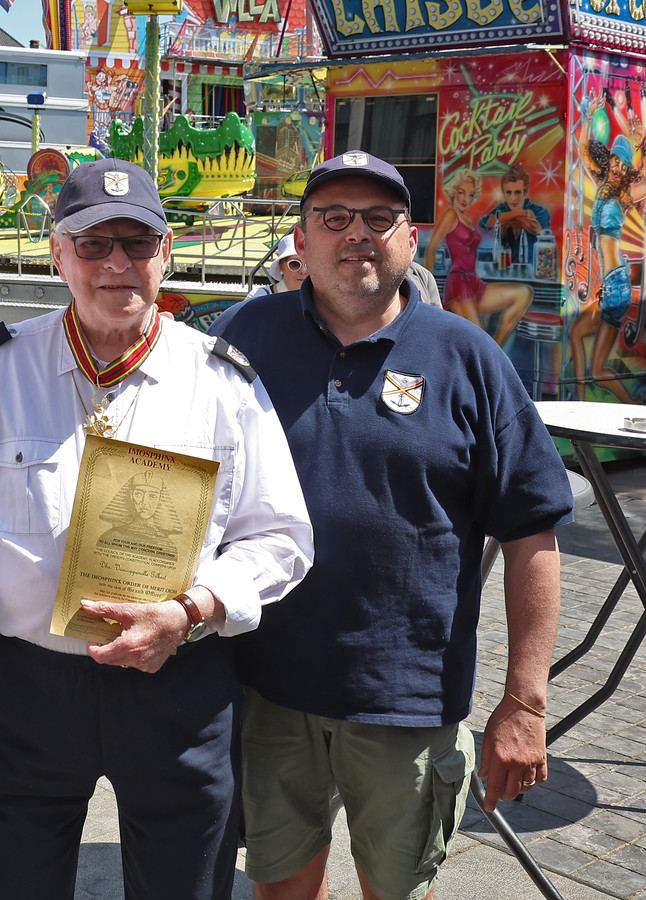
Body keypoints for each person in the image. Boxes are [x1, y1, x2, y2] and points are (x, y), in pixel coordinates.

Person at [0, 158, 314, 899]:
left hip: (178, 676)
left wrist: (190, 611)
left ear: (166, 254)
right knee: (20, 883)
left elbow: (282, 537)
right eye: (93, 243)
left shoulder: (222, 379)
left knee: (183, 884)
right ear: (57, 252)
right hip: (30, 684)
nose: (116, 263)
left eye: (137, 242)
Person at [208, 151, 574, 900]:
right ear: (301, 241)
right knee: (279, 888)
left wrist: (526, 702)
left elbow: (533, 533)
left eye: (379, 219)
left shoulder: (467, 357)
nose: (357, 236)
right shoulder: (245, 336)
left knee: (400, 892)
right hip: (266, 687)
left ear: (412, 239)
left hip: (408, 698)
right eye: (333, 219)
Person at [571, 97, 646, 402]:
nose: (616, 167)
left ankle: (626, 411)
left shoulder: (627, 194)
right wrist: (588, 118)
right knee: (589, 354)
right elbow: (581, 149)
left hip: (616, 285)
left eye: (622, 164)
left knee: (593, 360)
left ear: (628, 169)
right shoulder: (603, 185)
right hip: (610, 284)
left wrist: (640, 142)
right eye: (614, 161)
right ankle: (579, 402)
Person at [424, 167, 532, 346]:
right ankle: (491, 356)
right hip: (459, 286)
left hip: (474, 284)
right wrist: (428, 290)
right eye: (461, 193)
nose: (466, 199)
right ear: (454, 192)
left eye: (470, 195)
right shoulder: (451, 214)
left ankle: (496, 351)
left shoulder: (466, 218)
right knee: (480, 341)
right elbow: (431, 250)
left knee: (523, 294)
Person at [478, 163, 552, 268]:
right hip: (504, 270)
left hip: (532, 269)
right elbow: (486, 222)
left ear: (525, 192)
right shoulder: (502, 208)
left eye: (517, 192)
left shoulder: (539, 211)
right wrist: (522, 213)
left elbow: (537, 229)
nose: (513, 198)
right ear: (504, 193)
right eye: (509, 193)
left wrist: (508, 218)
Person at [245, 233, 306, 300]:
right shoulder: (259, 297)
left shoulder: (318, 301)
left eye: (308, 264)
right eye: (295, 264)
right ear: (281, 266)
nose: (303, 271)